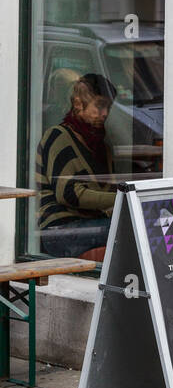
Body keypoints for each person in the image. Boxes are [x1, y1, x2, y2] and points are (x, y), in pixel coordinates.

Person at [36, 72, 118, 260]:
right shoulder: (58, 136)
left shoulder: (102, 147)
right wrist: (120, 199)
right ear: (78, 104)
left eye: (108, 107)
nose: (105, 113)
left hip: (89, 225)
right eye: (99, 106)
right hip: (58, 232)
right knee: (130, 229)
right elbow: (68, 193)